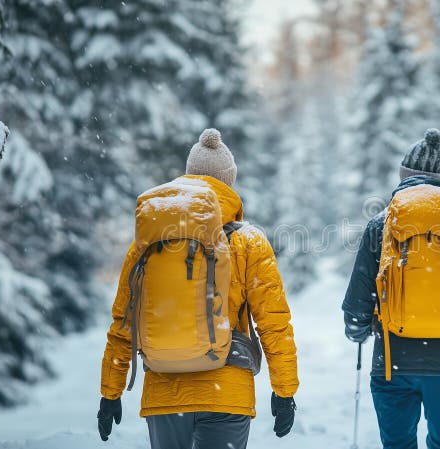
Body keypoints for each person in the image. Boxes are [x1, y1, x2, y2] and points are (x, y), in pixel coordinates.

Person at [97, 129, 299, 449]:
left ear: (188, 175)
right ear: (229, 182)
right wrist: (285, 391)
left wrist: (110, 392)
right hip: (227, 390)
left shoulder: (149, 243)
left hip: (165, 391)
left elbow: (123, 322)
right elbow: (274, 323)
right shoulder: (249, 242)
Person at [341, 128, 440, 449]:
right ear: (439, 177)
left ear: (404, 176)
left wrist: (357, 330)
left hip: (392, 362)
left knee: (398, 444)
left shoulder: (381, 225)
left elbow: (358, 302)